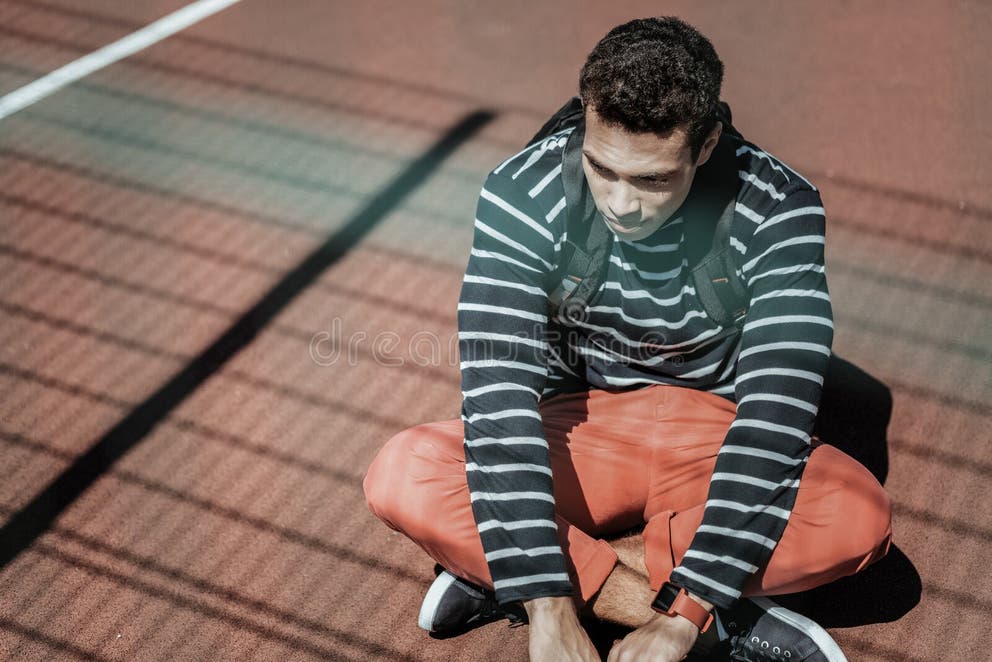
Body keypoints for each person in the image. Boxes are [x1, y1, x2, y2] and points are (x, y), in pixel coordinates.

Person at [364, 16, 891, 662]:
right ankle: (721, 620)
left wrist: (683, 612)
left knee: (858, 516)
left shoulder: (780, 207)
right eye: (601, 168)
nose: (620, 203)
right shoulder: (521, 193)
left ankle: (502, 572)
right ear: (584, 123)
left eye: (652, 179)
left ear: (705, 145)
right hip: (585, 424)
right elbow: (499, 399)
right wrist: (553, 610)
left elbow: (773, 421)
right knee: (403, 473)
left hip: (713, 433)